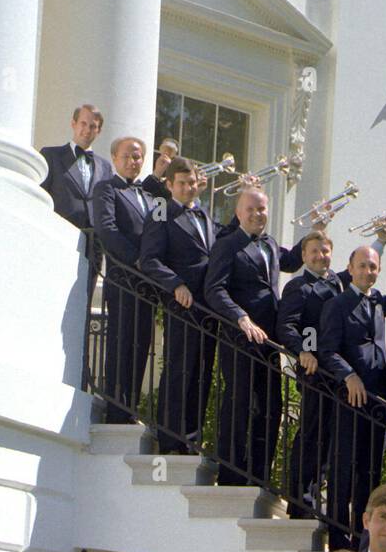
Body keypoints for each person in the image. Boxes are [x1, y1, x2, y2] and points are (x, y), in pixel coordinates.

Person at [317, 243, 386, 545]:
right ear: (350, 269)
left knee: (369, 470)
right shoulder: (337, 304)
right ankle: (337, 535)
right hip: (350, 398)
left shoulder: (375, 301)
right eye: (362, 266)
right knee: (344, 467)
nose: (368, 271)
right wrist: (349, 375)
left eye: (373, 267)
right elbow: (326, 350)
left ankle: (361, 537)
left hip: (377, 400)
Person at [204, 187, 284, 486]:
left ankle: (259, 474)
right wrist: (241, 317)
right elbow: (214, 289)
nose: (257, 214)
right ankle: (231, 473)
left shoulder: (271, 245)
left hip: (270, 342)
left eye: (261, 209)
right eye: (250, 209)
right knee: (239, 404)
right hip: (239, 338)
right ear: (238, 213)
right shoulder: (227, 244)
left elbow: (302, 260)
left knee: (270, 407)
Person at [139, 157, 217, 455]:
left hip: (207, 309)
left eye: (192, 182)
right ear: (169, 185)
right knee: (179, 371)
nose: (188, 187)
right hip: (181, 304)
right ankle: (171, 439)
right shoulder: (161, 211)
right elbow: (150, 259)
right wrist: (175, 285)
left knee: (201, 374)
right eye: (181, 183)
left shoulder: (204, 214)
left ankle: (191, 438)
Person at [276, 230, 347, 518]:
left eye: (325, 251)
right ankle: (300, 499)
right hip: (314, 370)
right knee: (311, 434)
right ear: (304, 256)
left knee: (329, 437)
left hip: (336, 371)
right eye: (314, 251)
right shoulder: (298, 287)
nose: (321, 256)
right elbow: (287, 326)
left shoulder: (338, 284)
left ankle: (318, 494)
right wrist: (304, 351)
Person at [93, 136, 155, 415]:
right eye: (128, 156)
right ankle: (116, 407)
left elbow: (162, 232)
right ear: (115, 159)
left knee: (141, 345)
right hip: (124, 279)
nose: (134, 161)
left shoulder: (152, 196)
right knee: (121, 344)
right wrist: (137, 261)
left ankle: (130, 407)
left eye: (139, 156)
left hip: (149, 285)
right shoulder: (107, 188)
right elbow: (108, 230)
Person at [40, 104, 113, 297]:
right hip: (59, 238)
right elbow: (41, 197)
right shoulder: (51, 155)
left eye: (93, 126)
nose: (87, 130)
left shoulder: (105, 167)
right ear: (73, 124)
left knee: (84, 302)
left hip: (93, 247)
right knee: (53, 296)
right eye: (83, 123)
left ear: (99, 131)